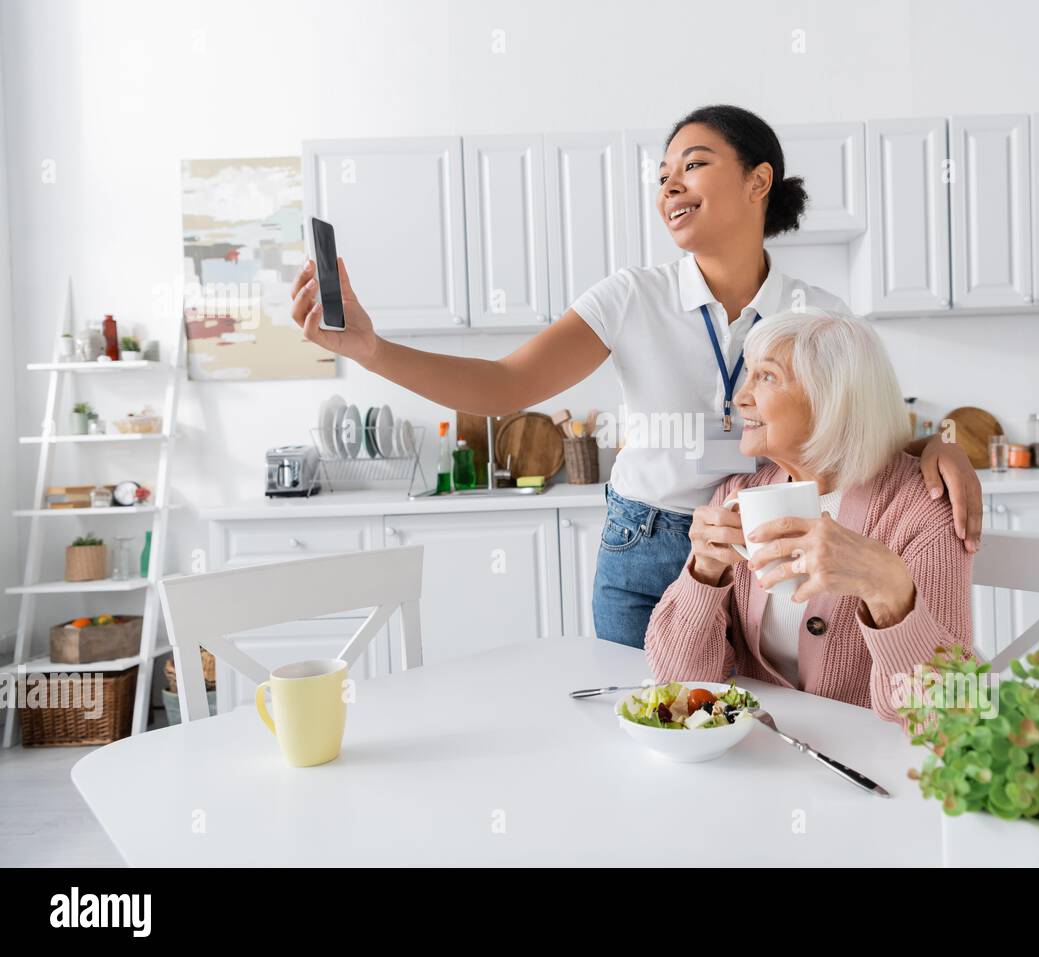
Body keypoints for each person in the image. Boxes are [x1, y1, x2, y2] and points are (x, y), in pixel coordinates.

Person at [289, 104, 982, 649]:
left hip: (766, 546)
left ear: (758, 181)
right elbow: (505, 385)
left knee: (763, 734)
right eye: (661, 176)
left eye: (694, 164)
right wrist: (373, 349)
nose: (669, 185)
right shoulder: (631, 297)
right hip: (647, 549)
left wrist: (932, 447)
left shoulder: (819, 316)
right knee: (653, 732)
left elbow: (858, 424)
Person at [644, 310, 973, 726]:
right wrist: (704, 574)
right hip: (766, 754)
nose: (740, 398)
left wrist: (890, 595)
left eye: (766, 377)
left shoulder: (921, 506)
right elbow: (678, 681)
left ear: (832, 397)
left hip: (875, 764)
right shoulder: (736, 497)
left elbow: (950, 712)